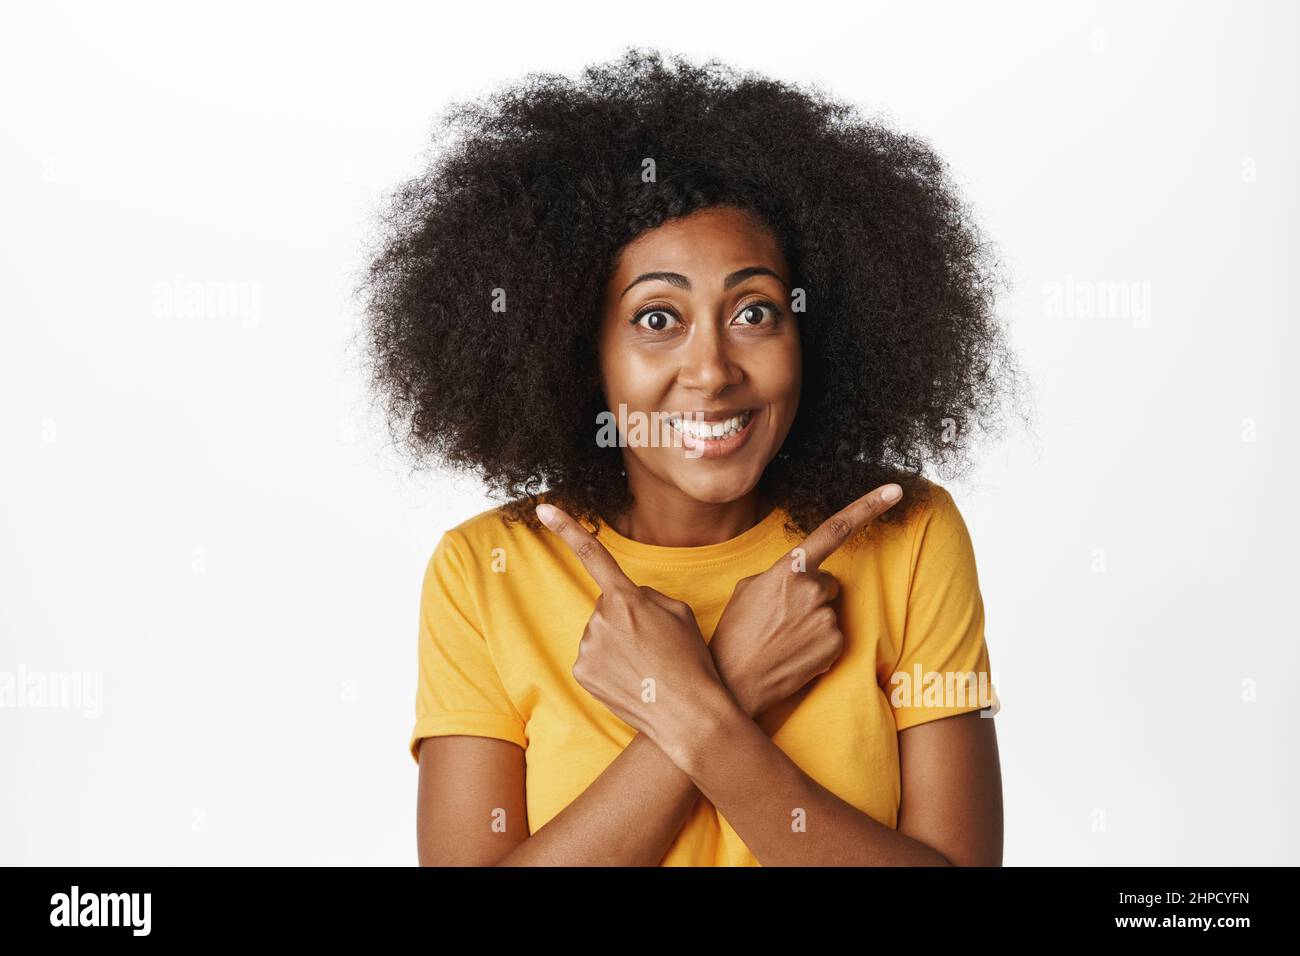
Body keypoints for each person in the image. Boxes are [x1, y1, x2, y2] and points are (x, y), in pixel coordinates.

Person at [361, 48, 1018, 866]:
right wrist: (733, 683)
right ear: (576, 347)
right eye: (657, 319)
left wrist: (698, 711)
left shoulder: (909, 538)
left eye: (754, 312)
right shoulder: (485, 571)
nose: (712, 371)